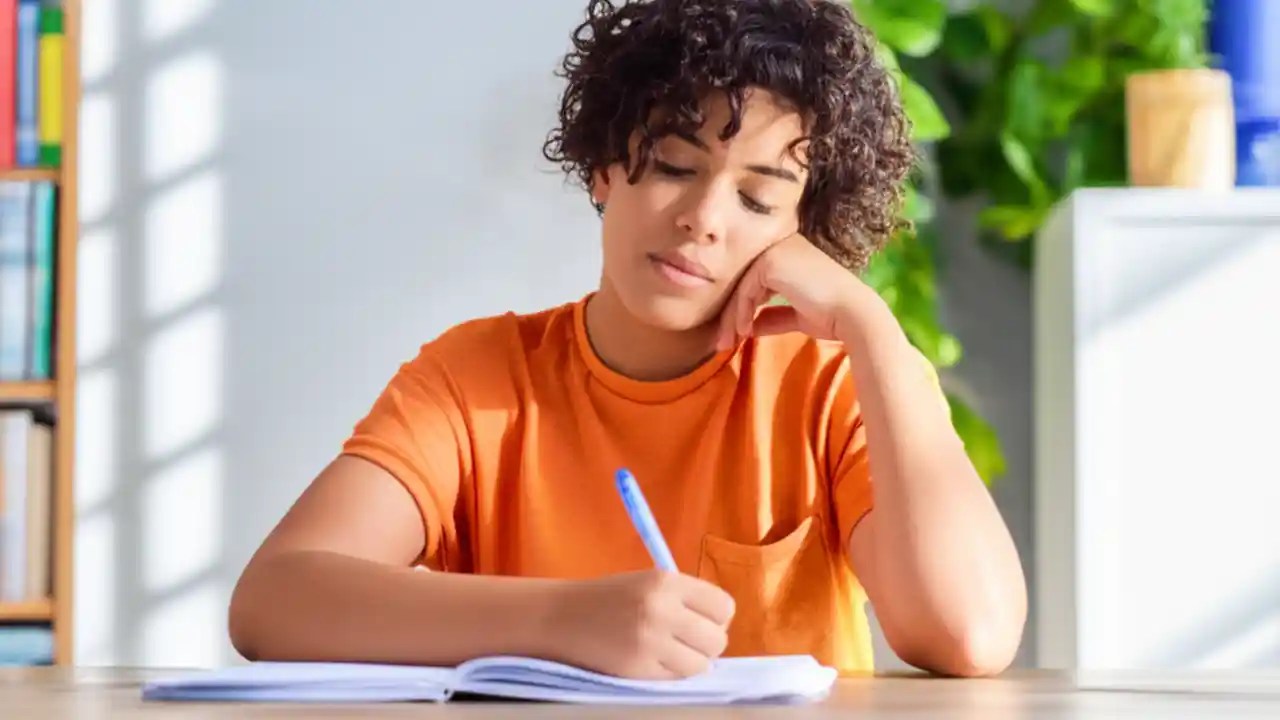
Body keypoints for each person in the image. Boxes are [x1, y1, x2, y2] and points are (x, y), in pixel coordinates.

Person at [228, 0, 1026, 679]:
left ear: (804, 233)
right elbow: (275, 602)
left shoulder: (830, 386)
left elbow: (970, 635)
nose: (703, 219)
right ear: (605, 168)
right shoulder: (477, 381)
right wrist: (563, 620)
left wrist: (873, 330)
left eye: (757, 199)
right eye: (676, 165)